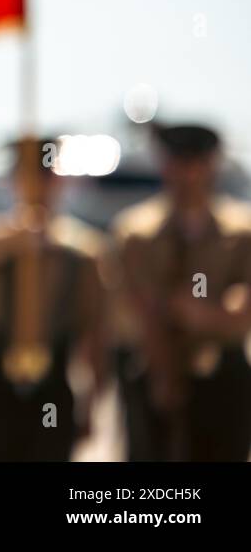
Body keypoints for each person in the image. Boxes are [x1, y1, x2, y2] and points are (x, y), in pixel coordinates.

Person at [0, 138, 106, 461]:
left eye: (45, 177)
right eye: (28, 176)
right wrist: (14, 243)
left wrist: (92, 398)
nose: (37, 187)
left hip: (51, 386)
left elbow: (95, 330)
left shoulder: (82, 252)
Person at [107, 123, 251, 461]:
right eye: (179, 164)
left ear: (211, 165)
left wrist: (204, 314)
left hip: (221, 374)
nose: (188, 175)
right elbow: (129, 303)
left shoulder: (241, 230)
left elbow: (244, 302)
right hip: (153, 367)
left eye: (196, 164)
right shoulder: (135, 232)